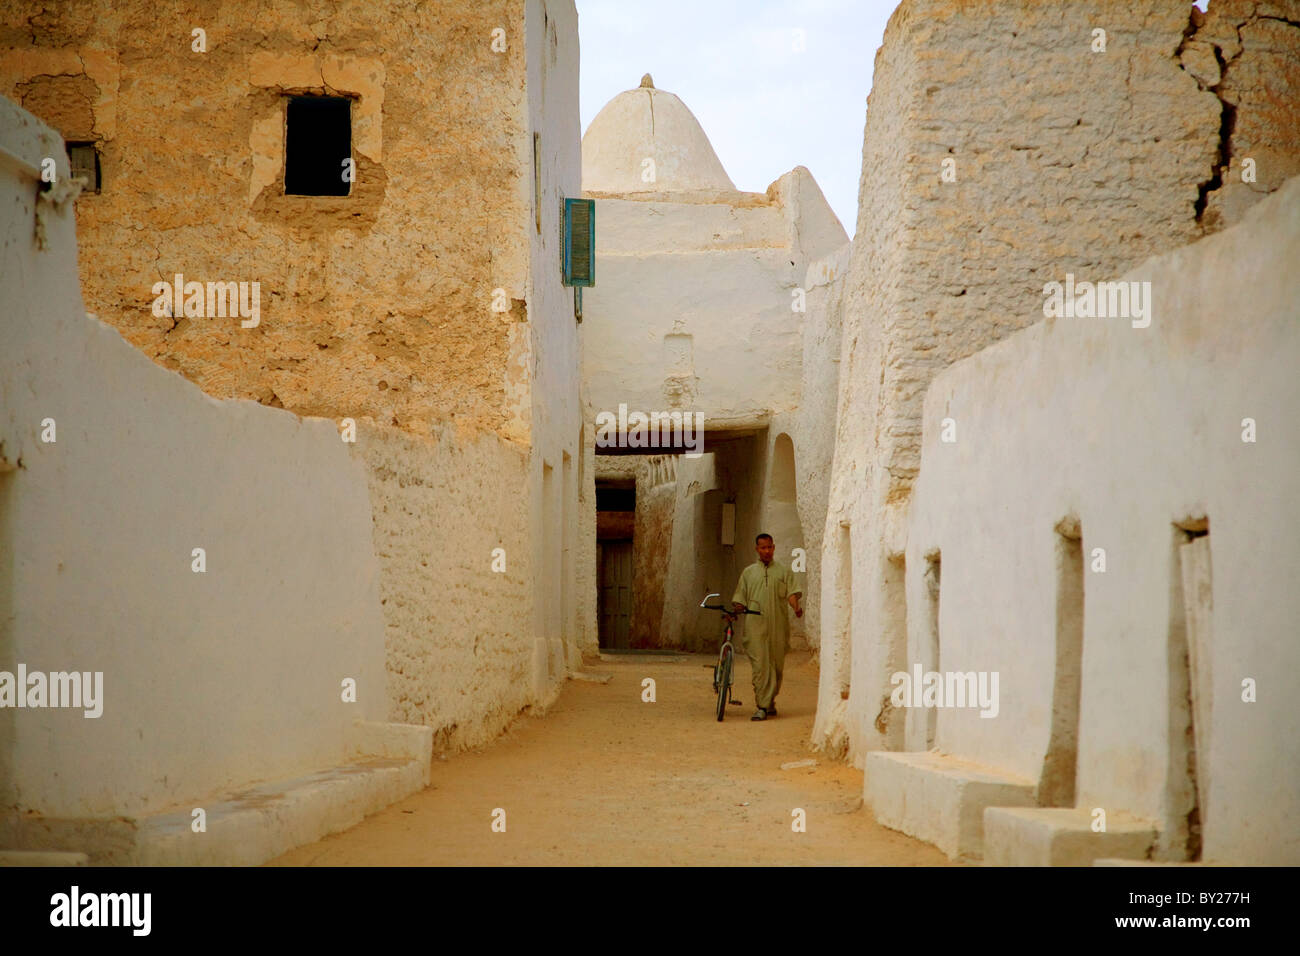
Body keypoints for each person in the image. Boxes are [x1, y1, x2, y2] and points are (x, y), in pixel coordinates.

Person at [729, 533, 802, 721]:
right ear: (757, 549)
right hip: (755, 627)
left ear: (774, 547)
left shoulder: (784, 572)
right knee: (760, 667)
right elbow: (740, 597)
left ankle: (769, 702)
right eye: (763, 548)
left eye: (769, 547)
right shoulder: (748, 573)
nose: (767, 551)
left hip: (778, 627)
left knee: (776, 667)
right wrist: (738, 607)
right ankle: (761, 705)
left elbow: (792, 593)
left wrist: (796, 607)